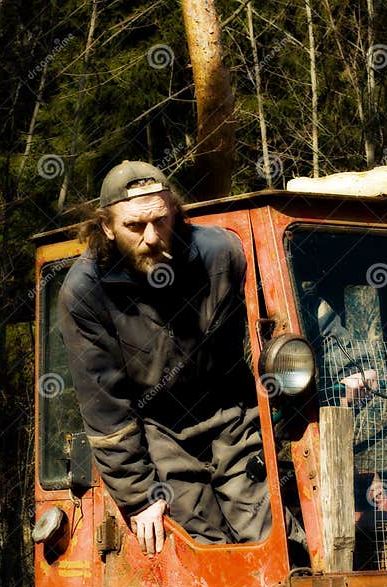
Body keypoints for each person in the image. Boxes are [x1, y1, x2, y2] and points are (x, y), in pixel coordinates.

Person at [58, 161, 277, 556]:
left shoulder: (221, 253)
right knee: (198, 547)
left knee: (268, 533)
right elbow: (105, 407)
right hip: (158, 427)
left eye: (161, 220)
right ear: (106, 227)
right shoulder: (85, 291)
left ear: (175, 211)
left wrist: (337, 371)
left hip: (231, 410)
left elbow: (281, 315)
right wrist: (140, 497)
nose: (152, 237)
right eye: (134, 226)